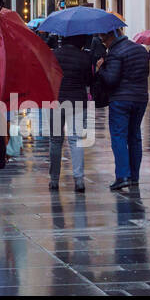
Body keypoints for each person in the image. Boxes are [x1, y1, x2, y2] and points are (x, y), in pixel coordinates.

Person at [96, 28, 149, 190]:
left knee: (118, 136)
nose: (104, 44)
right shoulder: (140, 50)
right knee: (135, 137)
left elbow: (111, 79)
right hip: (140, 98)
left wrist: (101, 68)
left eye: (104, 40)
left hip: (121, 100)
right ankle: (134, 176)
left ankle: (122, 176)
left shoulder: (115, 52)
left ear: (111, 36)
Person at [49, 34, 92, 192]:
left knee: (55, 140)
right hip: (78, 101)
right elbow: (88, 81)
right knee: (76, 140)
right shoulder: (85, 57)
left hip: (56, 100)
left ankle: (54, 180)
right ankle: (79, 179)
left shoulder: (53, 55)